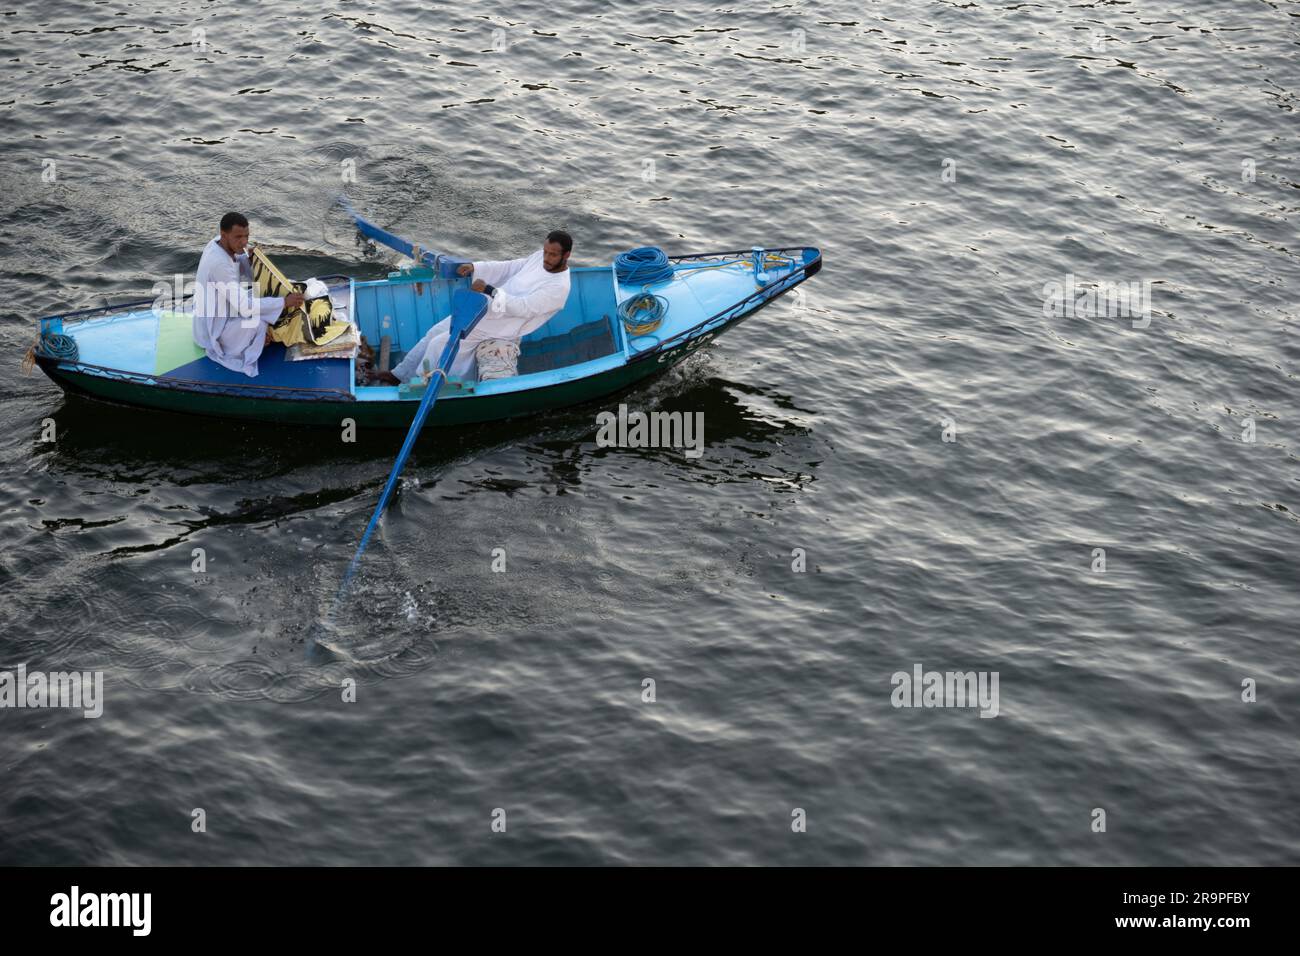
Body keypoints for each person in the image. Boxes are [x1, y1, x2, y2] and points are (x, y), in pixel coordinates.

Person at [372, 230, 572, 385]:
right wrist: (477, 267)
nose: (546, 258)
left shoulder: (559, 287)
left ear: (566, 256)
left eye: (553, 255)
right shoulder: (540, 257)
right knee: (433, 333)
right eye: (545, 252)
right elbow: (512, 266)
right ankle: (399, 375)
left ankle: (422, 386)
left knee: (439, 344)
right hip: (485, 306)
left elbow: (523, 308)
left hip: (505, 325)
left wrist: (489, 289)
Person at [192, 212, 304, 377]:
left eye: (246, 236)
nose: (244, 242)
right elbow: (244, 306)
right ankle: (252, 340)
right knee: (258, 323)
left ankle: (259, 335)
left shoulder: (217, 243)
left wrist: (249, 260)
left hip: (221, 310)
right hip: (212, 331)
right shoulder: (218, 264)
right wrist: (284, 302)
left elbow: (236, 265)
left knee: (262, 295)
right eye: (238, 237)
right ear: (224, 235)